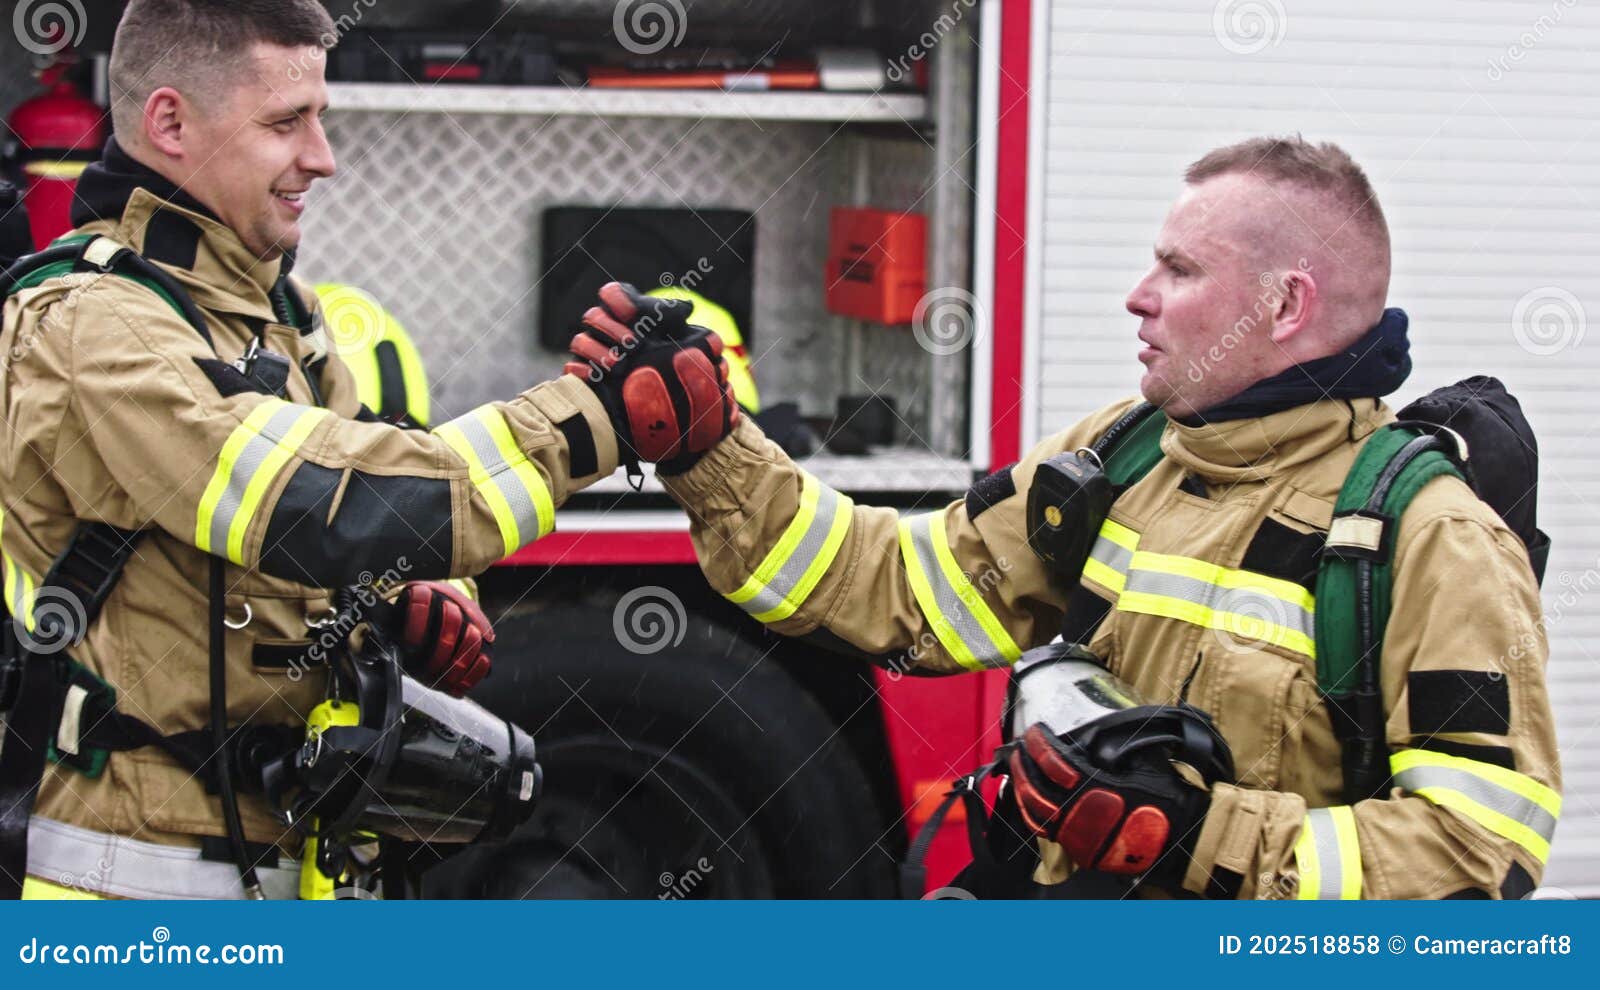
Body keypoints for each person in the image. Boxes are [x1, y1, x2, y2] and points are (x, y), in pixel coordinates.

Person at [572, 136, 1561, 900]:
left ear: (1284, 305)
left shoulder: (1426, 533)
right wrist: (708, 451)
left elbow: (1482, 853)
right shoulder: (1125, 454)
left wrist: (1197, 835)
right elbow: (901, 590)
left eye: (1178, 271)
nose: (1138, 298)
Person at [0, 0, 660, 899]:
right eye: (285, 123)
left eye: (320, 117)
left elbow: (369, 493)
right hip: (131, 888)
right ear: (169, 122)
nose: (322, 156)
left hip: (279, 867)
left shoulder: (278, 311)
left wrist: (418, 593)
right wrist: (592, 422)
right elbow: (312, 503)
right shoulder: (90, 326)